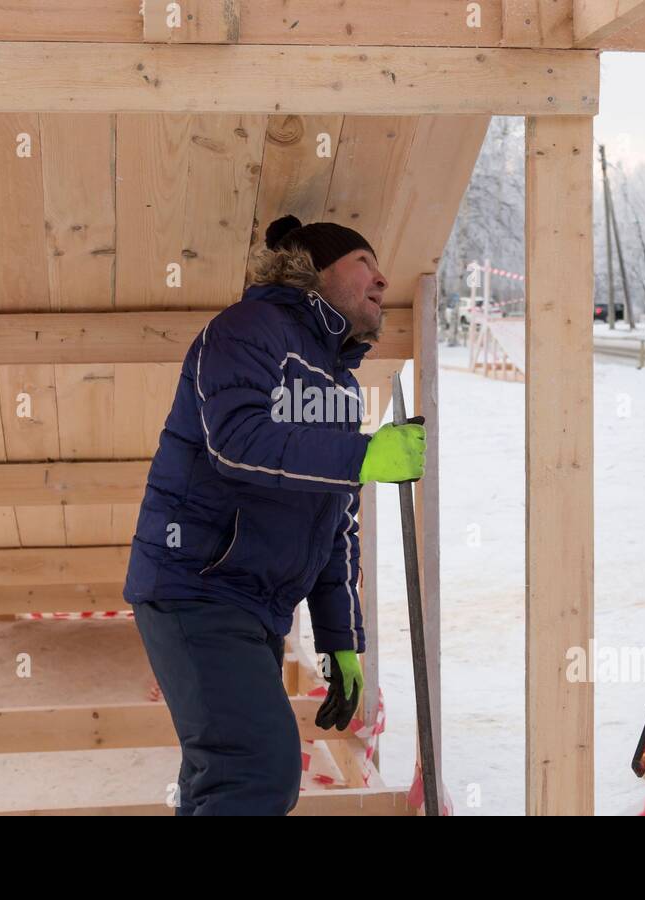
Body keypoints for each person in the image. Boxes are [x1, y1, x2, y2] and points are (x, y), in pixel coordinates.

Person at [124, 215, 426, 814]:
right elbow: (236, 442)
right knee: (258, 769)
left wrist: (341, 640)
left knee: (227, 777)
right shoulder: (246, 331)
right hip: (196, 587)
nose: (383, 278)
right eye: (364, 262)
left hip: (253, 606)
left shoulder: (339, 378)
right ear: (318, 270)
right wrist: (366, 453)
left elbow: (332, 519)